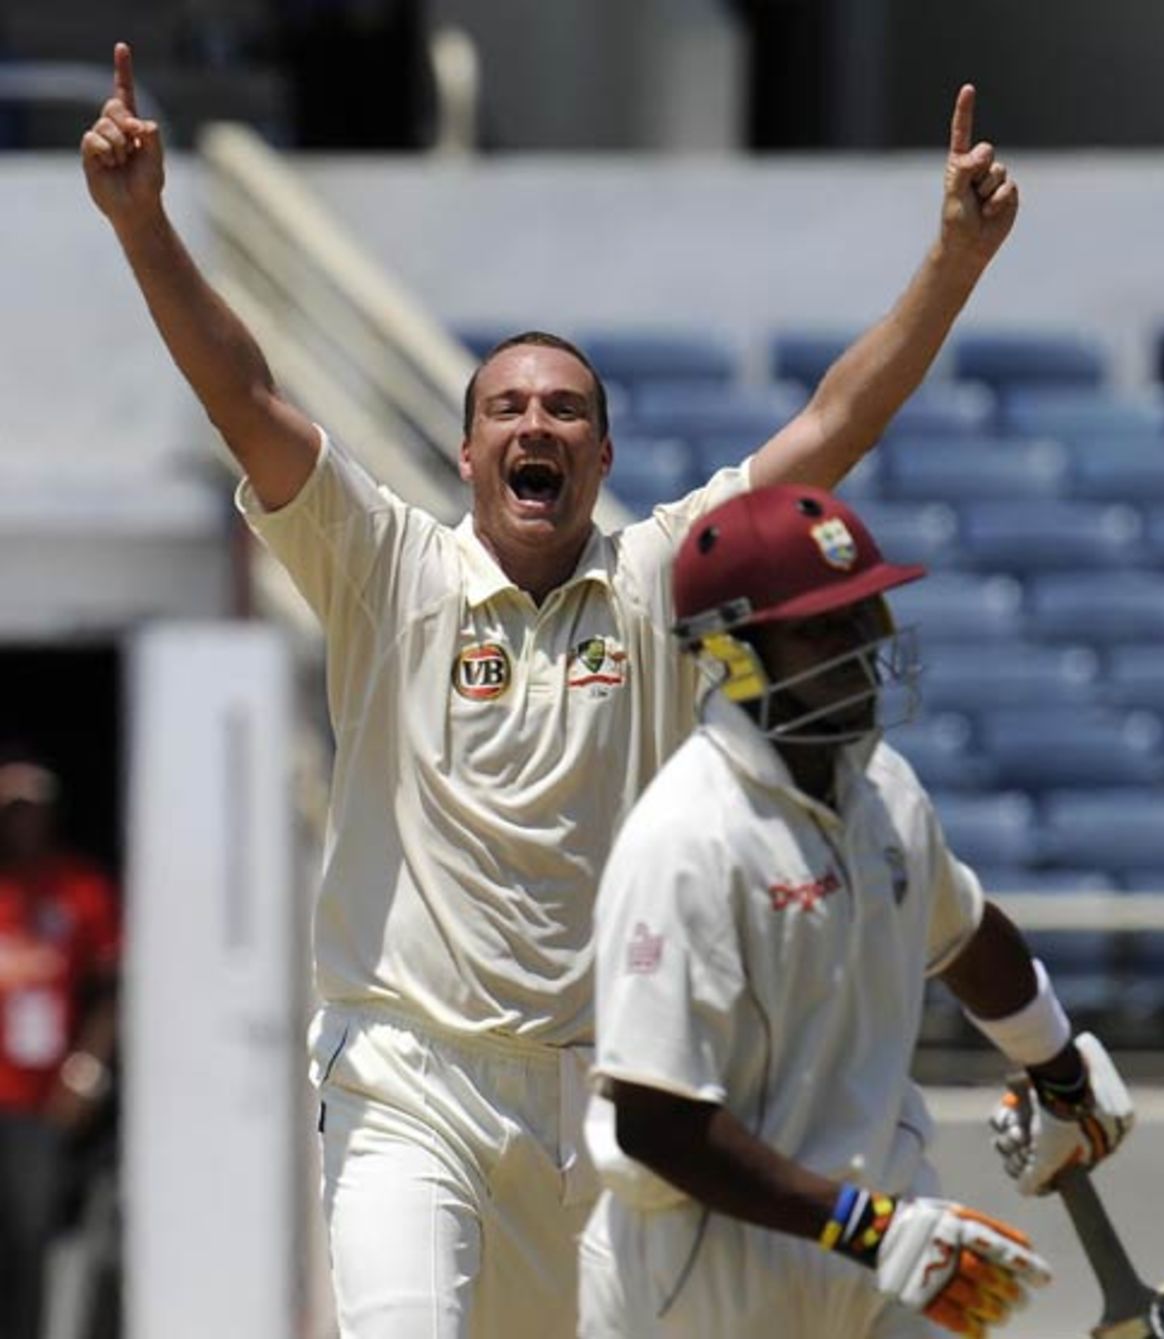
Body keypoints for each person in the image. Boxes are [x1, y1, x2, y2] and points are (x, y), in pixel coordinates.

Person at [82, 41, 1021, 1339]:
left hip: (620, 1097)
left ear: (601, 451)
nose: (538, 424)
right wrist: (144, 225)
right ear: (469, 451)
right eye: (511, 407)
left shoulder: (658, 576)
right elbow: (245, 394)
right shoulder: (384, 564)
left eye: (567, 409)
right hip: (413, 1079)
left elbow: (833, 424)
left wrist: (955, 263)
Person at [579, 483, 1135, 1338]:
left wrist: (1060, 1073)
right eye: (820, 629)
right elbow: (657, 1122)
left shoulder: (884, 792)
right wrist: (863, 1226)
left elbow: (966, 936)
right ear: (735, 653)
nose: (857, 652)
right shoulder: (686, 838)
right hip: (707, 1277)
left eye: (860, 619)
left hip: (875, 1249)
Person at [0, 752, 120, 1339]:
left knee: (28, 1233)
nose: (23, 822)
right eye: (12, 809)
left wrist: (87, 1070)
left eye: (32, 809)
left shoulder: (81, 889)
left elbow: (114, 986)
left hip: (39, 1099)